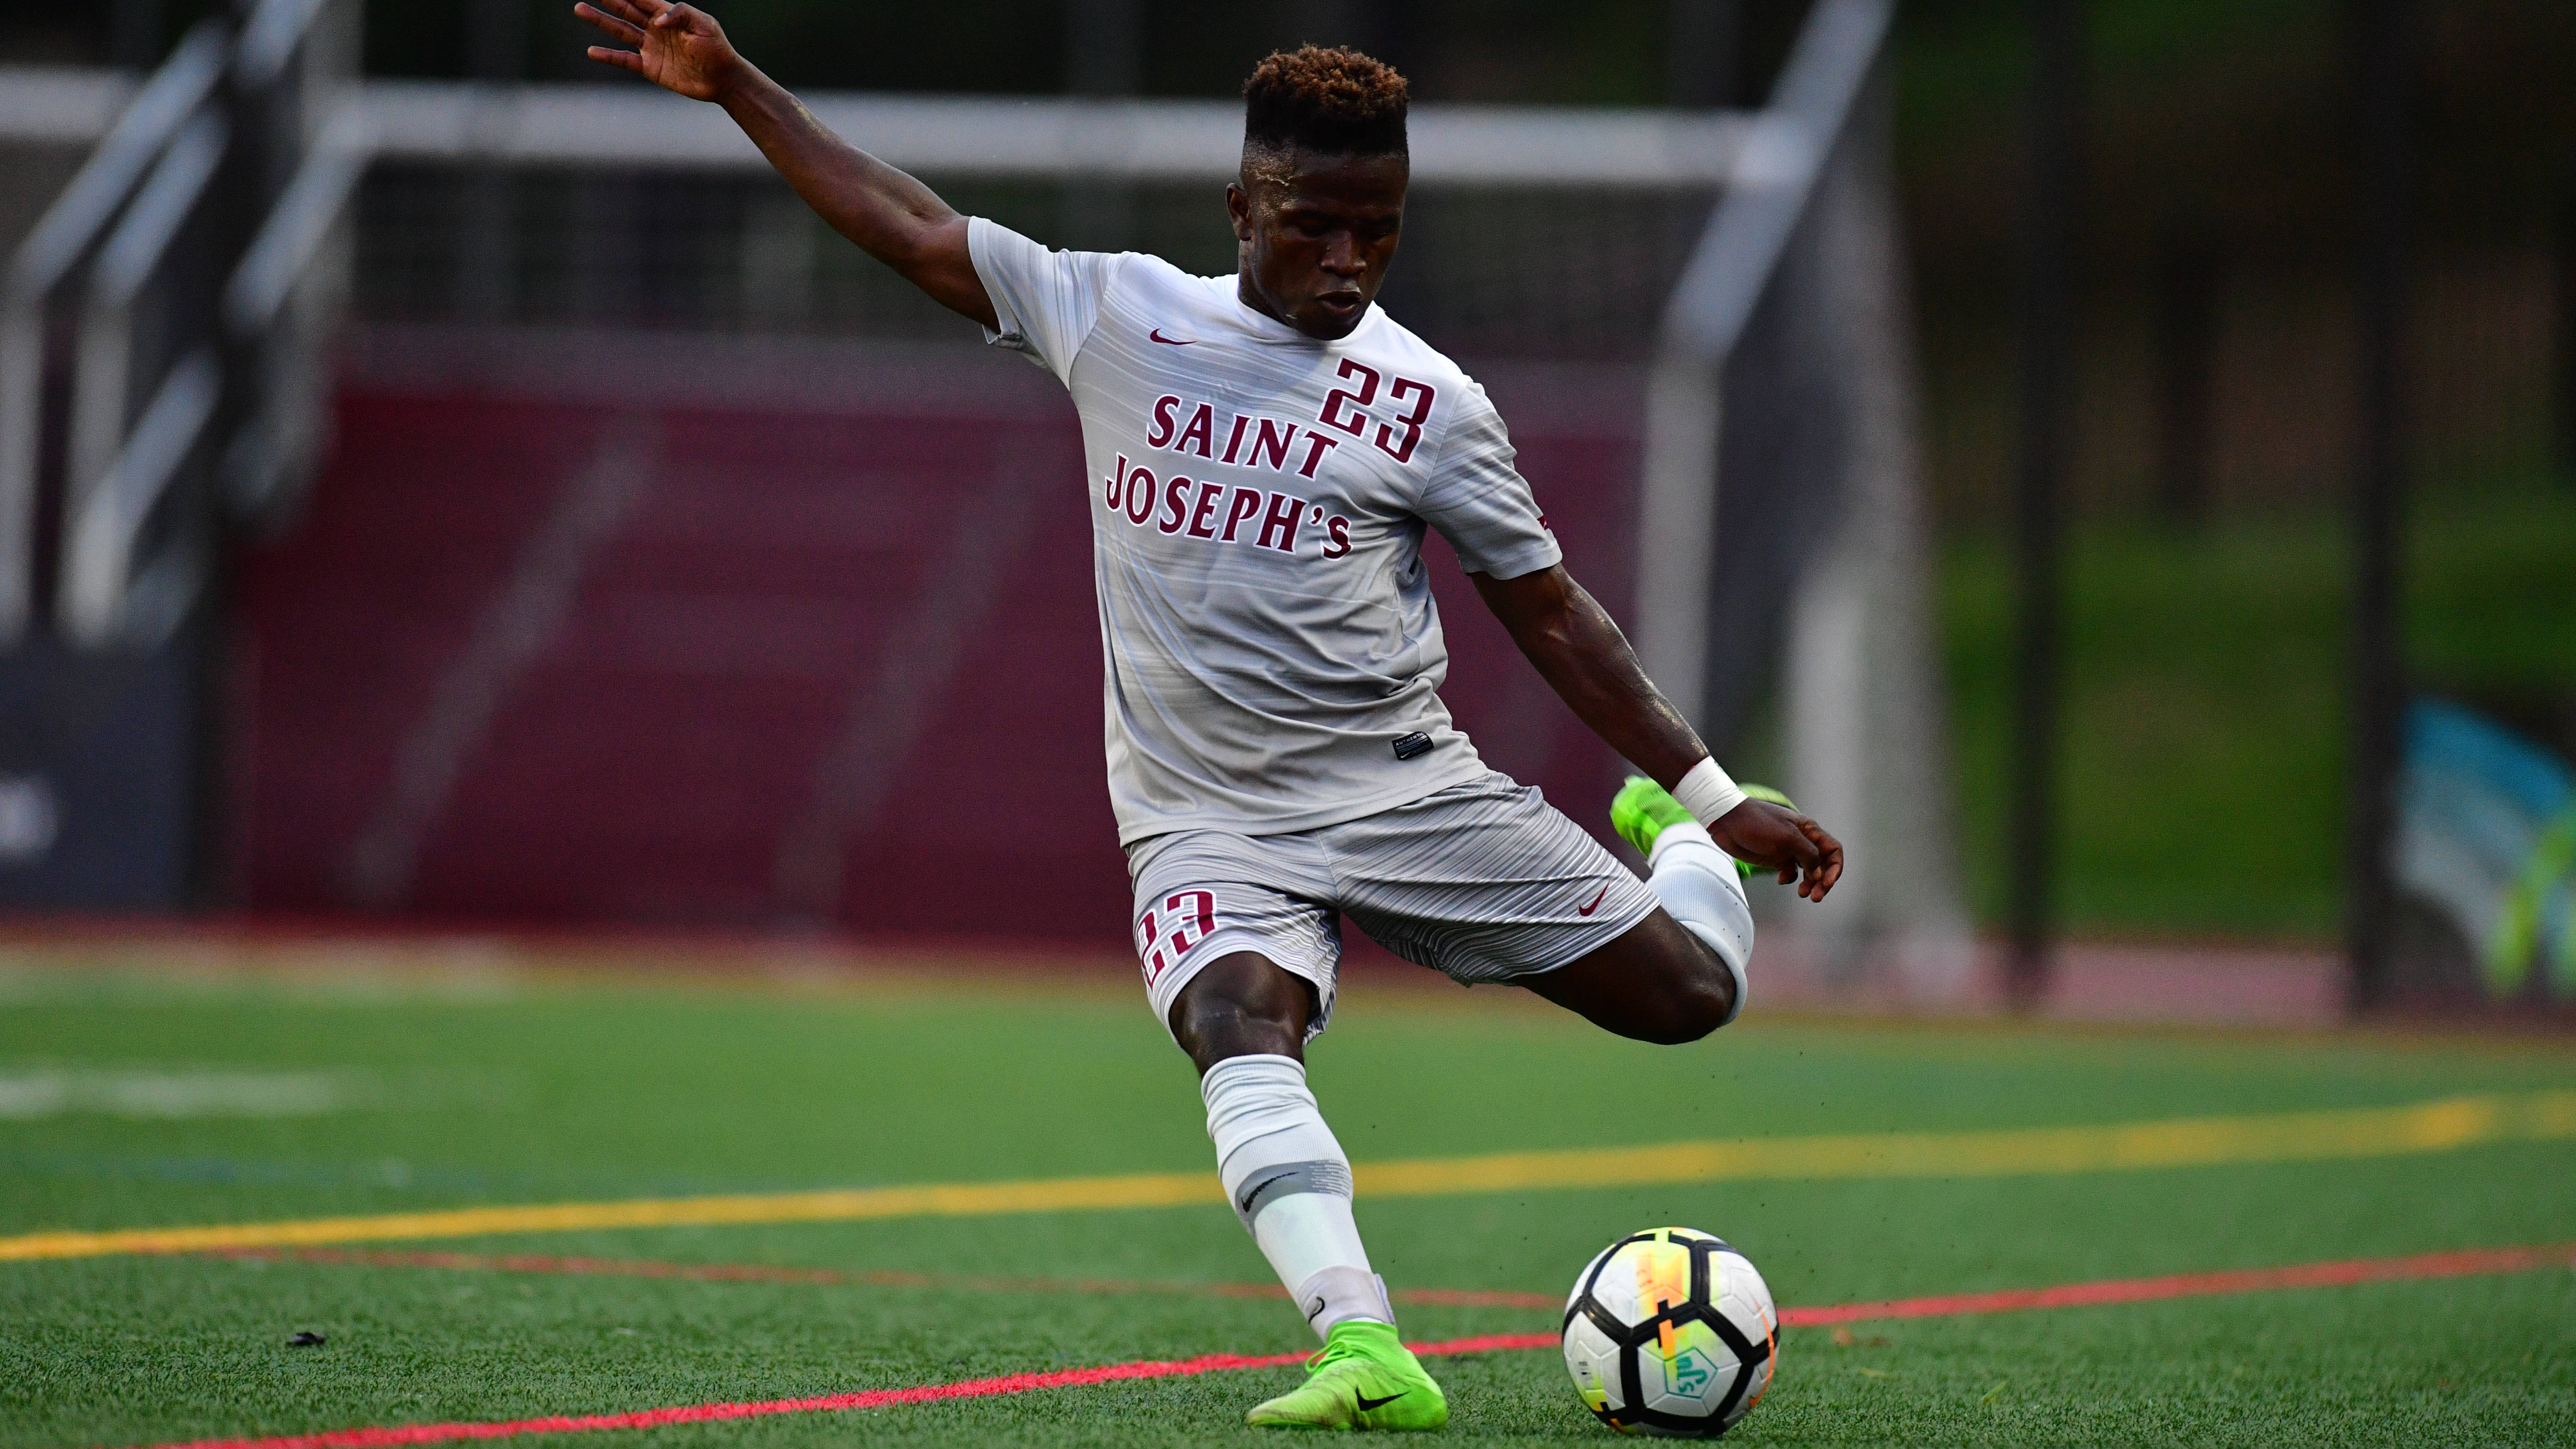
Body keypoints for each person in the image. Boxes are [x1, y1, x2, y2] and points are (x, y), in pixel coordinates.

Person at [576, 2, 1845, 1430]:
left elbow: (1552, 613)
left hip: (1405, 793)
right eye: (1315, 223)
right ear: (1243, 205)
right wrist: (740, 82)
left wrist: (1716, 789)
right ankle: (1365, 1347)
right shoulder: (1120, 311)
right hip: (1203, 816)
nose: (1349, 259)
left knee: (1694, 998)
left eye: (1381, 228)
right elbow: (912, 227)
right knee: (1237, 1020)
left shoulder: (1430, 403)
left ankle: (1677, 843)